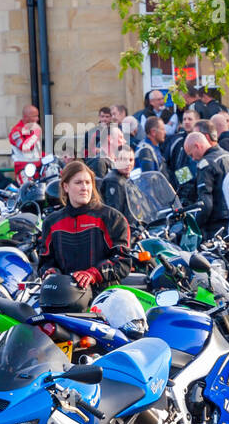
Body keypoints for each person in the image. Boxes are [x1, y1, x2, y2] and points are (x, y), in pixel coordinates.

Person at [38, 160, 131, 293]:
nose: (84, 187)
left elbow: (123, 261)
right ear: (65, 187)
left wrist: (93, 274)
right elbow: (45, 262)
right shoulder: (51, 222)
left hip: (104, 297)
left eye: (88, 182)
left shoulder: (113, 218)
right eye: (78, 183)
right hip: (65, 297)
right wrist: (51, 273)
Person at [184, 132, 229, 239]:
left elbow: (206, 204)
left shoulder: (205, 164)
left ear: (197, 146)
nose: (192, 159)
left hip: (217, 223)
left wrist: (194, 226)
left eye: (191, 154)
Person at [99, 145, 139, 228]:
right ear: (115, 160)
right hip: (125, 231)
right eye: (123, 159)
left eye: (131, 160)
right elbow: (115, 214)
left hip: (134, 227)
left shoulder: (126, 179)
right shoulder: (114, 181)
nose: (128, 163)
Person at [8, 105, 42, 180]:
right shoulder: (16, 131)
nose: (37, 119)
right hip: (24, 170)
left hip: (37, 168)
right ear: (26, 117)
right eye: (35, 116)